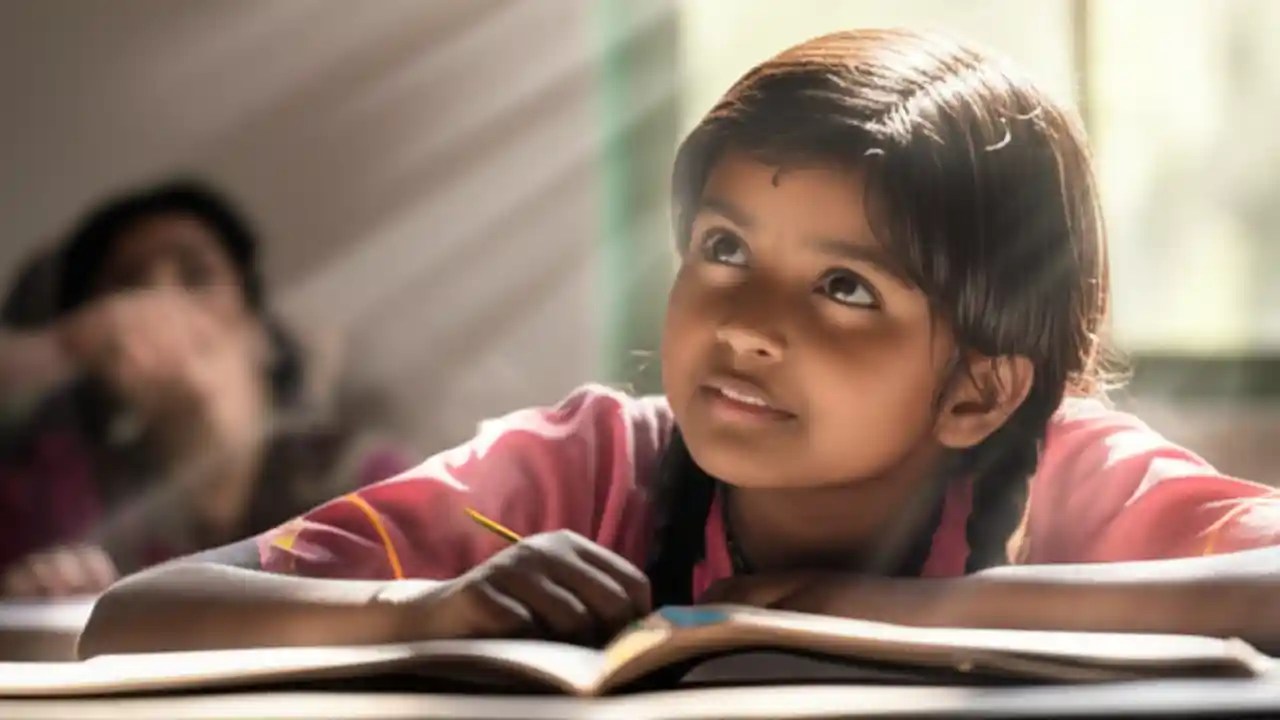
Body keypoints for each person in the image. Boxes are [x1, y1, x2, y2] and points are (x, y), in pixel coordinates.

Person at [79, 29, 1280, 658]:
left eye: (845, 287)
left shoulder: (1062, 473)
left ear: (977, 387)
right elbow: (134, 616)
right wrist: (419, 613)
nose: (748, 325)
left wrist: (880, 612)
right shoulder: (588, 465)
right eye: (721, 251)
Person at [0, 179, 409, 597]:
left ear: (259, 334)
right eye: (129, 288)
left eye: (197, 275)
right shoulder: (57, 488)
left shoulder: (360, 478)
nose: (163, 304)